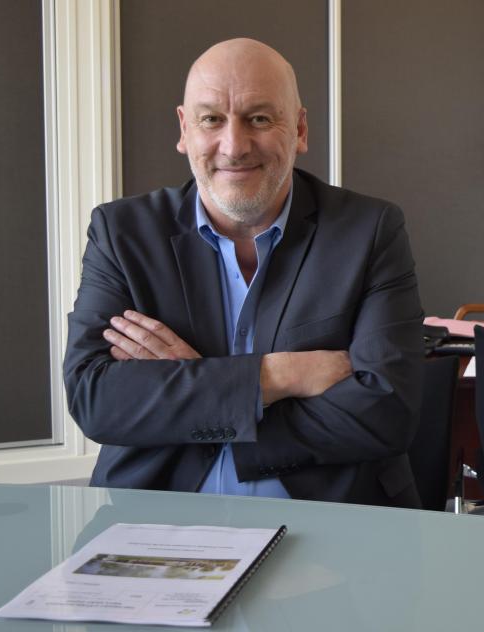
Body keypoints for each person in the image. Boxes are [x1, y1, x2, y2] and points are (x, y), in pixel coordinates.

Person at [63, 38, 424, 508]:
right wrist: (277, 377)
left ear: (298, 129)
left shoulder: (368, 229)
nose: (233, 146)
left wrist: (199, 391)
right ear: (184, 129)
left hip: (333, 523)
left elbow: (387, 411)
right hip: (158, 518)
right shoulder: (123, 232)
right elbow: (96, 398)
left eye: (259, 118)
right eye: (211, 119)